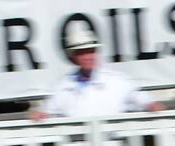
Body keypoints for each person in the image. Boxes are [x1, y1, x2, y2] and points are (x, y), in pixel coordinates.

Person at [32, 28, 166, 120]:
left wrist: (151, 105)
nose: (87, 56)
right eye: (81, 52)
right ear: (73, 57)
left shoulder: (116, 80)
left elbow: (140, 99)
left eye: (90, 51)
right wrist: (39, 115)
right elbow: (47, 111)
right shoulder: (63, 86)